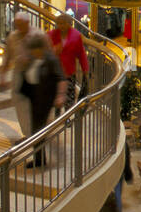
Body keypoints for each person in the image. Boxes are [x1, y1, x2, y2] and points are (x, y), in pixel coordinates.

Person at [19, 35, 65, 167]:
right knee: (36, 129)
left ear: (41, 48)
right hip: (34, 97)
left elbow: (61, 78)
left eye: (35, 49)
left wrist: (60, 96)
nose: (33, 52)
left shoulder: (51, 60)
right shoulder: (32, 59)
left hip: (46, 98)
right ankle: (39, 158)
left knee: (38, 129)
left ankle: (39, 159)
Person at [47, 14, 90, 106]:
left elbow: (81, 54)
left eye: (64, 23)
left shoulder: (76, 36)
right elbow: (44, 51)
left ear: (69, 24)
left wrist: (85, 69)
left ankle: (68, 117)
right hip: (55, 72)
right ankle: (58, 117)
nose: (61, 26)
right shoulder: (51, 35)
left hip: (69, 72)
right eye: (59, 23)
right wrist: (54, 50)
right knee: (56, 99)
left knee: (69, 99)